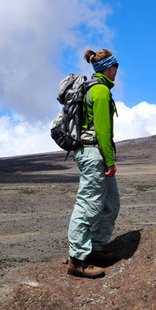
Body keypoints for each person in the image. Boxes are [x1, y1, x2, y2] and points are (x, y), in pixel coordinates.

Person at [66, 48, 120, 278]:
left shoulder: (97, 89)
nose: (117, 72)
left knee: (110, 204)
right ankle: (77, 260)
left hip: (92, 153)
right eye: (116, 68)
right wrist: (110, 161)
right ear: (109, 68)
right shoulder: (99, 91)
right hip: (94, 155)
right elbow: (103, 131)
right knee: (87, 207)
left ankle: (94, 249)